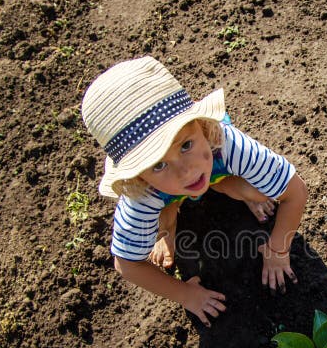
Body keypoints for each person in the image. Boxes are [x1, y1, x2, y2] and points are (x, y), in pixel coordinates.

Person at [81, 57, 307, 326]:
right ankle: (169, 221)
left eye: (185, 145)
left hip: (219, 168)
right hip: (165, 196)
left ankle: (222, 183)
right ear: (138, 176)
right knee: (160, 223)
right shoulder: (141, 194)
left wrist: (278, 250)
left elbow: (295, 191)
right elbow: (127, 264)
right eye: (159, 164)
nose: (186, 172)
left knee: (260, 190)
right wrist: (185, 294)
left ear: (202, 126)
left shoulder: (226, 144)